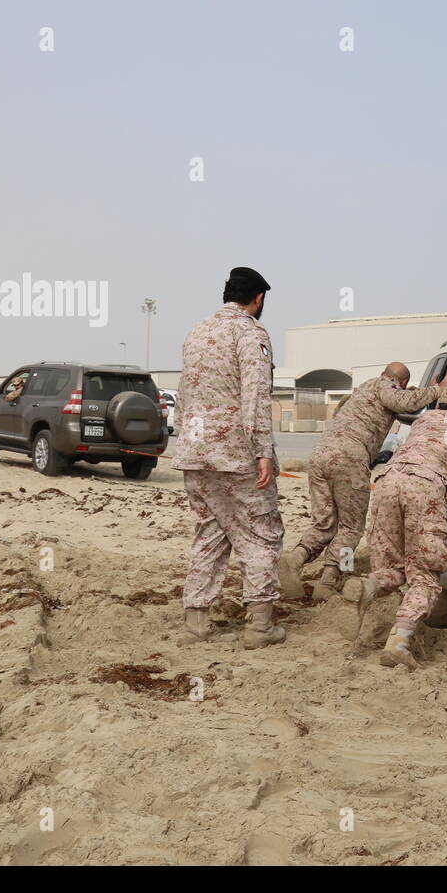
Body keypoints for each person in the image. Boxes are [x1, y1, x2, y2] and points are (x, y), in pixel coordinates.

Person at [173, 266, 286, 649]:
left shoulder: (197, 332)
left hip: (195, 451)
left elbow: (183, 392)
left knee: (210, 534)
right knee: (261, 535)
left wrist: (184, 441)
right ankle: (259, 626)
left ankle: (196, 623)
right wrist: (263, 452)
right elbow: (256, 395)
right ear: (259, 299)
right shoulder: (250, 332)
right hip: (236, 454)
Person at [346, 384, 447, 669]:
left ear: (439, 405)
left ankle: (369, 586)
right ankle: (399, 642)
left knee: (395, 565)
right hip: (424, 489)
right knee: (426, 574)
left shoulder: (423, 420)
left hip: (388, 482)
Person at [279, 362, 447, 601]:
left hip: (320, 455)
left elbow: (403, 399)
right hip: (349, 459)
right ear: (400, 382)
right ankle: (332, 577)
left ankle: (296, 557)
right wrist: (437, 390)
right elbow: (404, 403)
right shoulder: (387, 387)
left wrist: (420, 391)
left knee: (324, 521)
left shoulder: (367, 387)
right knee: (352, 527)